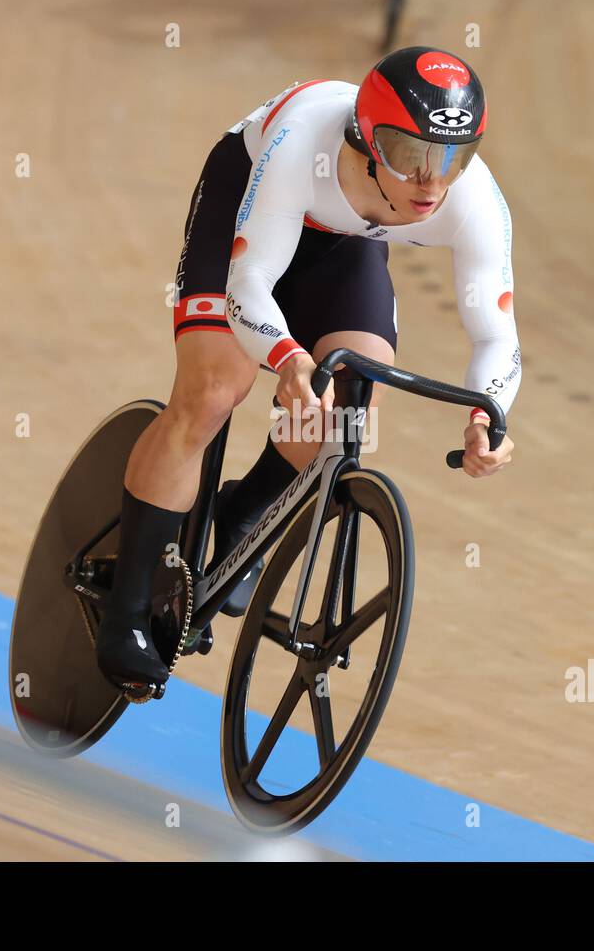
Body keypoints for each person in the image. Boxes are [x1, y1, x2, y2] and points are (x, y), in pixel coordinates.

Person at [96, 46, 520, 690]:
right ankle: (123, 610)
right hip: (250, 203)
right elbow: (250, 283)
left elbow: (496, 334)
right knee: (216, 389)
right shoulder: (302, 144)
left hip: (346, 243)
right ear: (370, 140)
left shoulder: (475, 201)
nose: (431, 184)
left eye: (451, 160)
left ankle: (244, 511)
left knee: (349, 411)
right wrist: (288, 357)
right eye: (411, 158)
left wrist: (487, 417)